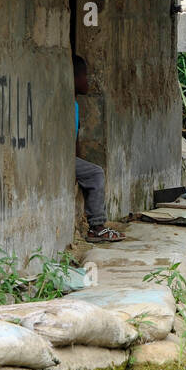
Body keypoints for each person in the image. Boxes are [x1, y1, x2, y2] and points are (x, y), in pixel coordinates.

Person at [73, 54, 125, 243]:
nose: (87, 81)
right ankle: (97, 227)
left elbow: (75, 141)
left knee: (90, 171)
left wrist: (77, 168)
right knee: (96, 173)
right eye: (83, 76)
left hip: (71, 161)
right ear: (74, 78)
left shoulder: (75, 106)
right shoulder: (67, 106)